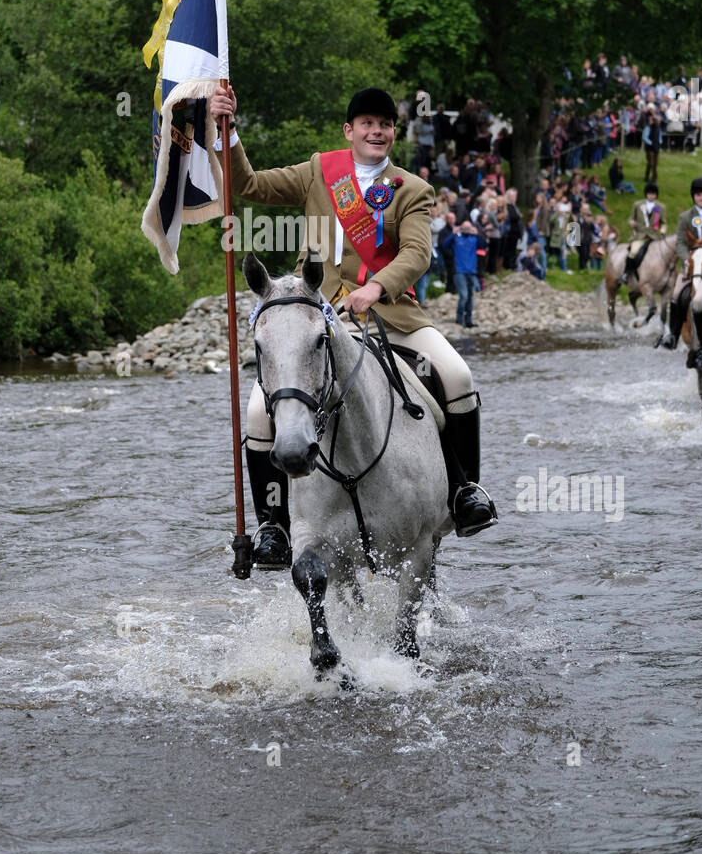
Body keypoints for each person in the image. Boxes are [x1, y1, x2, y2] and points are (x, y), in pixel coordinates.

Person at [209, 84, 498, 568]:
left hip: (390, 313)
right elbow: (249, 186)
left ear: (393, 132)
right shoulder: (320, 172)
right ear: (350, 131)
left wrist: (377, 288)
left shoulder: (412, 188)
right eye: (367, 123)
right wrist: (229, 134)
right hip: (316, 312)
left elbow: (416, 253)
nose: (376, 131)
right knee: (261, 408)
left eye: (384, 124)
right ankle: (274, 526)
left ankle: (465, 490)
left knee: (457, 374)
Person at [661, 177, 702, 359]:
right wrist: (686, 258)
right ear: (693, 196)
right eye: (699, 195)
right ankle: (673, 335)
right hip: (692, 263)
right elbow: (680, 242)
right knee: (676, 294)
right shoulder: (685, 217)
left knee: (699, 301)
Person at [441, 219, 483, 327]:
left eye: (468, 227)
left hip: (472, 272)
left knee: (471, 297)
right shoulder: (456, 239)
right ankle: (459, 319)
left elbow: (483, 246)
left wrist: (477, 233)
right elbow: (444, 245)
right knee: (464, 295)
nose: (466, 229)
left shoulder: (474, 239)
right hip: (459, 271)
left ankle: (468, 320)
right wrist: (454, 232)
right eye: (464, 227)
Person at [623, 182, 666, 285]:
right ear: (646, 194)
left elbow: (663, 222)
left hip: (655, 236)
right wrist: (631, 223)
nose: (651, 196)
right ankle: (626, 273)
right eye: (649, 193)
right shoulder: (637, 205)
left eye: (653, 194)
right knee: (633, 251)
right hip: (641, 235)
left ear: (656, 195)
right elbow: (631, 218)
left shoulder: (661, 207)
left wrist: (663, 229)